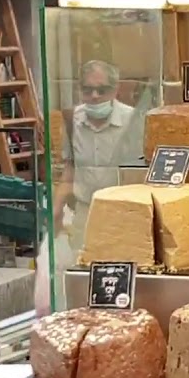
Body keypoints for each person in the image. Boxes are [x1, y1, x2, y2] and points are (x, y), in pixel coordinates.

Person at [35, 61, 141, 314]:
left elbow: (140, 174)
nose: (94, 96)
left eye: (101, 90)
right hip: (84, 213)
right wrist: (56, 211)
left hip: (121, 216)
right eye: (88, 89)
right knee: (83, 281)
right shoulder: (73, 121)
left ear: (115, 90)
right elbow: (69, 171)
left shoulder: (133, 121)